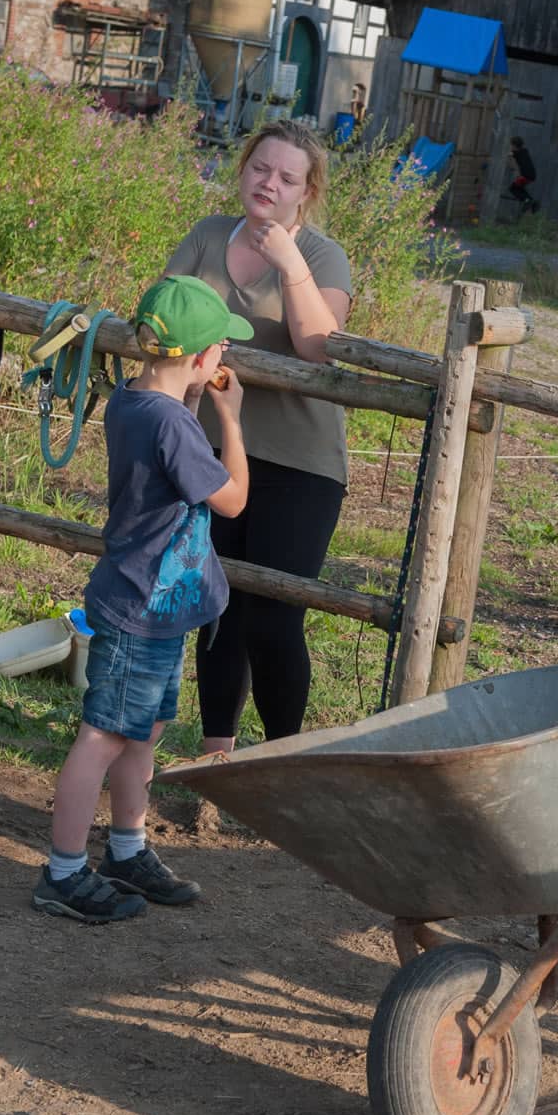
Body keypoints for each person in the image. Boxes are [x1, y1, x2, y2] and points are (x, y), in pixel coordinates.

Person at [31, 277, 251, 923]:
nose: (225, 355)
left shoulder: (132, 399)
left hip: (152, 601)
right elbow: (233, 500)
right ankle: (63, 872)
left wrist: (195, 396)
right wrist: (232, 419)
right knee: (103, 737)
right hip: (143, 606)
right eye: (221, 346)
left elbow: (173, 447)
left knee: (142, 732)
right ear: (204, 357)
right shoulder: (173, 424)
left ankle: (127, 850)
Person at [163, 120, 354, 753]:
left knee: (274, 617)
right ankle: (216, 760)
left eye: (287, 177)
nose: (269, 183)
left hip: (300, 463)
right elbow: (162, 316)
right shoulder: (207, 235)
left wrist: (290, 265)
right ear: (243, 169)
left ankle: (280, 761)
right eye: (260, 168)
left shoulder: (322, 256)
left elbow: (319, 348)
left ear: (307, 192)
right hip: (212, 449)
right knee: (217, 608)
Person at [506, 136, 539, 213]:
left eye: (511, 145)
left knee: (513, 188)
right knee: (519, 188)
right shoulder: (525, 151)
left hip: (525, 176)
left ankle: (528, 201)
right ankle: (532, 203)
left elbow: (510, 158)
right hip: (532, 175)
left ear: (514, 145)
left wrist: (508, 157)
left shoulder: (515, 153)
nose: (510, 147)